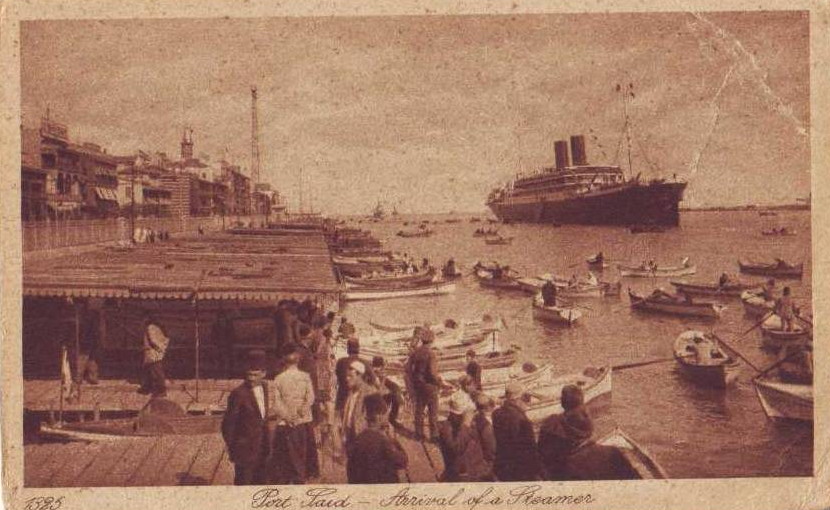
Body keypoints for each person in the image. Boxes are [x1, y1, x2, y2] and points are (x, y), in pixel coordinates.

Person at [269, 343, 316, 484]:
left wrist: (288, 416)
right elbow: (311, 398)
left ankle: (285, 477)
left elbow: (276, 403)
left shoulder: (278, 379)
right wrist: (302, 410)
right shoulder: (305, 377)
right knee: (301, 451)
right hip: (302, 421)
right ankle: (300, 477)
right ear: (298, 361)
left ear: (284, 361)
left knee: (284, 453)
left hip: (285, 422)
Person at [222, 350, 270, 485]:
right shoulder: (238, 394)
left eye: (255, 375)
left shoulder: (267, 388)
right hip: (244, 450)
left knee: (261, 484)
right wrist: (233, 447)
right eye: (249, 374)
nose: (251, 378)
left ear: (264, 373)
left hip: (263, 447)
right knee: (244, 483)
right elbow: (228, 424)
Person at [346, 393, 408, 484]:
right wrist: (393, 439)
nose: (387, 418)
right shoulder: (383, 441)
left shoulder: (357, 440)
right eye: (386, 414)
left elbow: (350, 472)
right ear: (379, 416)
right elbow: (403, 461)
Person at [538, 385, 594, 481]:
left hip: (555, 475)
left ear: (563, 403)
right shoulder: (587, 425)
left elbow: (541, 453)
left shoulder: (551, 423)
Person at [437, 391, 491, 482]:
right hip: (462, 475)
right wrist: (465, 424)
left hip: (477, 469)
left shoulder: (473, 422)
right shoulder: (446, 428)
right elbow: (456, 448)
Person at [492, 382, 540, 481]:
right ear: (519, 398)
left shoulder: (496, 414)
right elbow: (530, 448)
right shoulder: (521, 419)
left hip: (502, 464)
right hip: (519, 468)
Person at [407, 331, 443, 441]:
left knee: (419, 410)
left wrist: (414, 381)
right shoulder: (431, 354)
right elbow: (432, 373)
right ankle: (434, 435)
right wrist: (439, 382)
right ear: (432, 340)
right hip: (430, 386)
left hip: (419, 385)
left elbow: (408, 369)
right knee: (433, 411)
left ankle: (418, 434)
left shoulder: (415, 352)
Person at [341, 361, 376, 448]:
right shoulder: (351, 392)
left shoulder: (370, 392)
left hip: (363, 439)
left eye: (350, 376)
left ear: (359, 376)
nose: (347, 378)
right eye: (346, 376)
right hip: (351, 435)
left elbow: (377, 420)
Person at [335, 338, 375, 412]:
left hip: (342, 395)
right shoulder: (365, 363)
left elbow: (337, 377)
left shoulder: (340, 362)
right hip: (358, 398)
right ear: (358, 349)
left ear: (348, 349)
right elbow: (373, 380)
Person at [139, 311, 169, 397]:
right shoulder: (155, 327)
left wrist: (160, 348)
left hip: (153, 353)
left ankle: (161, 391)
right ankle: (147, 388)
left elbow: (153, 340)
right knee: (149, 371)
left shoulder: (150, 327)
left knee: (156, 372)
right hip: (152, 353)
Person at [372, 356, 404, 428]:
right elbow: (382, 386)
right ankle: (391, 419)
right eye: (383, 366)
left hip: (373, 396)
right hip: (374, 397)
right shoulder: (377, 373)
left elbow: (389, 384)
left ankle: (390, 419)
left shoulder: (374, 372)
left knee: (393, 395)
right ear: (381, 366)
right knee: (394, 396)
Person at [473, 393, 497, 478]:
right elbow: (492, 448)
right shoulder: (487, 426)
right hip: (490, 460)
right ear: (489, 407)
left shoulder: (477, 418)